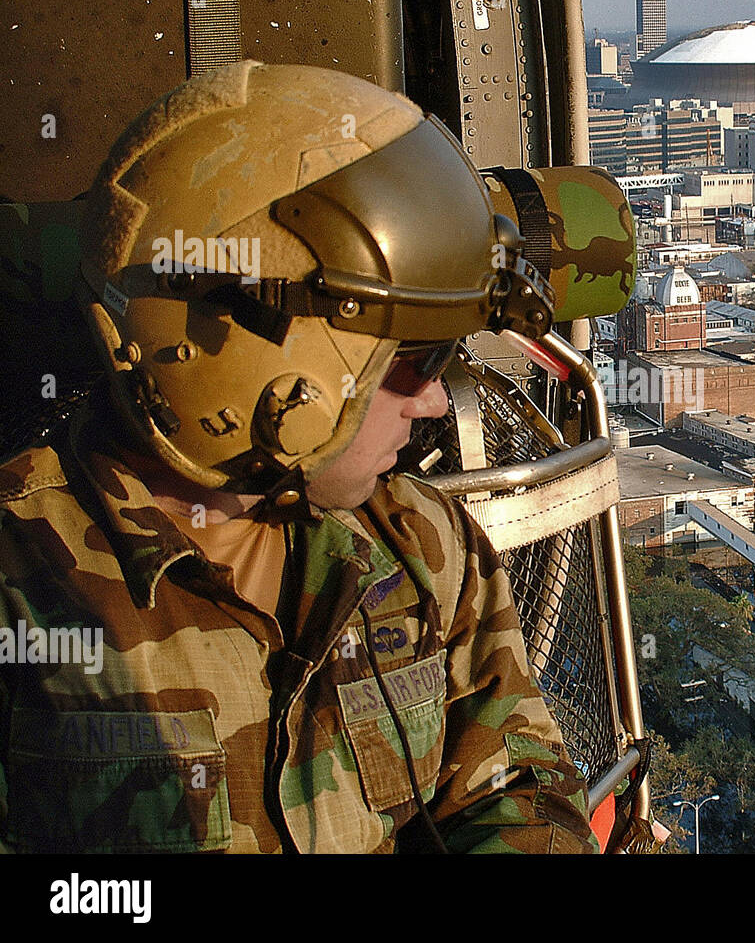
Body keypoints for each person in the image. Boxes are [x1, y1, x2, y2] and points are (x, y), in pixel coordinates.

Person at [0, 61, 598, 854]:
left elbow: (517, 791)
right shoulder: (24, 583)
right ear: (254, 364)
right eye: (415, 360)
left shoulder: (425, 545)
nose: (430, 403)